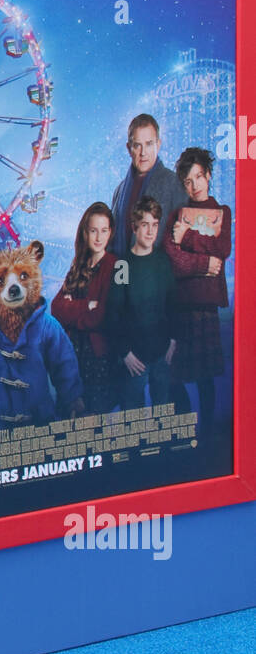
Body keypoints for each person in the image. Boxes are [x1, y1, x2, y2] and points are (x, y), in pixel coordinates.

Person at [161, 147, 231, 440]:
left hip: (206, 308)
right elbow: (171, 257)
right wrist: (204, 264)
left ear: (209, 175)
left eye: (199, 177)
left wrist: (188, 237)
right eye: (188, 181)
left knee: (205, 377)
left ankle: (207, 433)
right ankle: (184, 429)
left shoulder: (222, 212)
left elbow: (222, 250)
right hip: (181, 305)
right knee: (173, 373)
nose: (195, 185)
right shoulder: (178, 213)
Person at [104, 196, 177, 409]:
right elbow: (113, 314)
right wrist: (124, 353)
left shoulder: (163, 261)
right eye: (145, 225)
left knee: (162, 413)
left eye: (155, 225)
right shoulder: (122, 266)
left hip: (161, 353)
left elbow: (172, 304)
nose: (151, 231)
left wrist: (173, 340)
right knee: (132, 417)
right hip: (135, 358)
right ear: (135, 228)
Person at [51, 203, 118, 413]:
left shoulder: (115, 266)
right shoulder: (78, 265)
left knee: (93, 419)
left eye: (104, 231)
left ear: (110, 233)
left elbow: (102, 316)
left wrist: (73, 308)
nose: (98, 237)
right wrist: (86, 305)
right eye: (93, 230)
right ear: (85, 232)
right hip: (71, 355)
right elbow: (56, 307)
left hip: (98, 359)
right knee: (68, 415)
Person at [110, 113, 188, 251]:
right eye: (137, 145)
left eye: (149, 144)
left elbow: (185, 240)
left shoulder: (175, 184)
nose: (143, 152)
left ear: (158, 145)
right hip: (122, 269)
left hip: (157, 270)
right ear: (129, 149)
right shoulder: (119, 191)